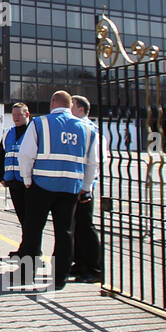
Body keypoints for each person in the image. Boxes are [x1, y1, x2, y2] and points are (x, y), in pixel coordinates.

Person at [15, 89, 99, 289]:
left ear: (52, 103)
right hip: (70, 187)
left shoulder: (39, 123)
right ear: (70, 106)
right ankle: (59, 278)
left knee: (33, 230)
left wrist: (27, 178)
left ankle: (26, 274)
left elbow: (26, 154)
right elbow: (92, 163)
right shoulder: (87, 129)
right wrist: (86, 187)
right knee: (65, 233)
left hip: (42, 185)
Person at [68, 94, 104, 283]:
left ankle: (94, 268)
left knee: (85, 227)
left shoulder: (90, 129)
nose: (68, 108)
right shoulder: (77, 127)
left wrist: (86, 187)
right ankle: (80, 263)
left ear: (81, 109)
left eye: (71, 105)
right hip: (74, 185)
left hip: (84, 187)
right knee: (76, 227)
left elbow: (96, 161)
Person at [0, 102, 31, 257]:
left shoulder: (33, 132)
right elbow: (1, 156)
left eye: (19, 115)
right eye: (14, 115)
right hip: (13, 182)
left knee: (31, 221)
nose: (16, 118)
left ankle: (31, 252)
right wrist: (0, 176)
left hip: (29, 183)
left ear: (27, 114)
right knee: (22, 218)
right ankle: (24, 249)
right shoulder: (7, 133)